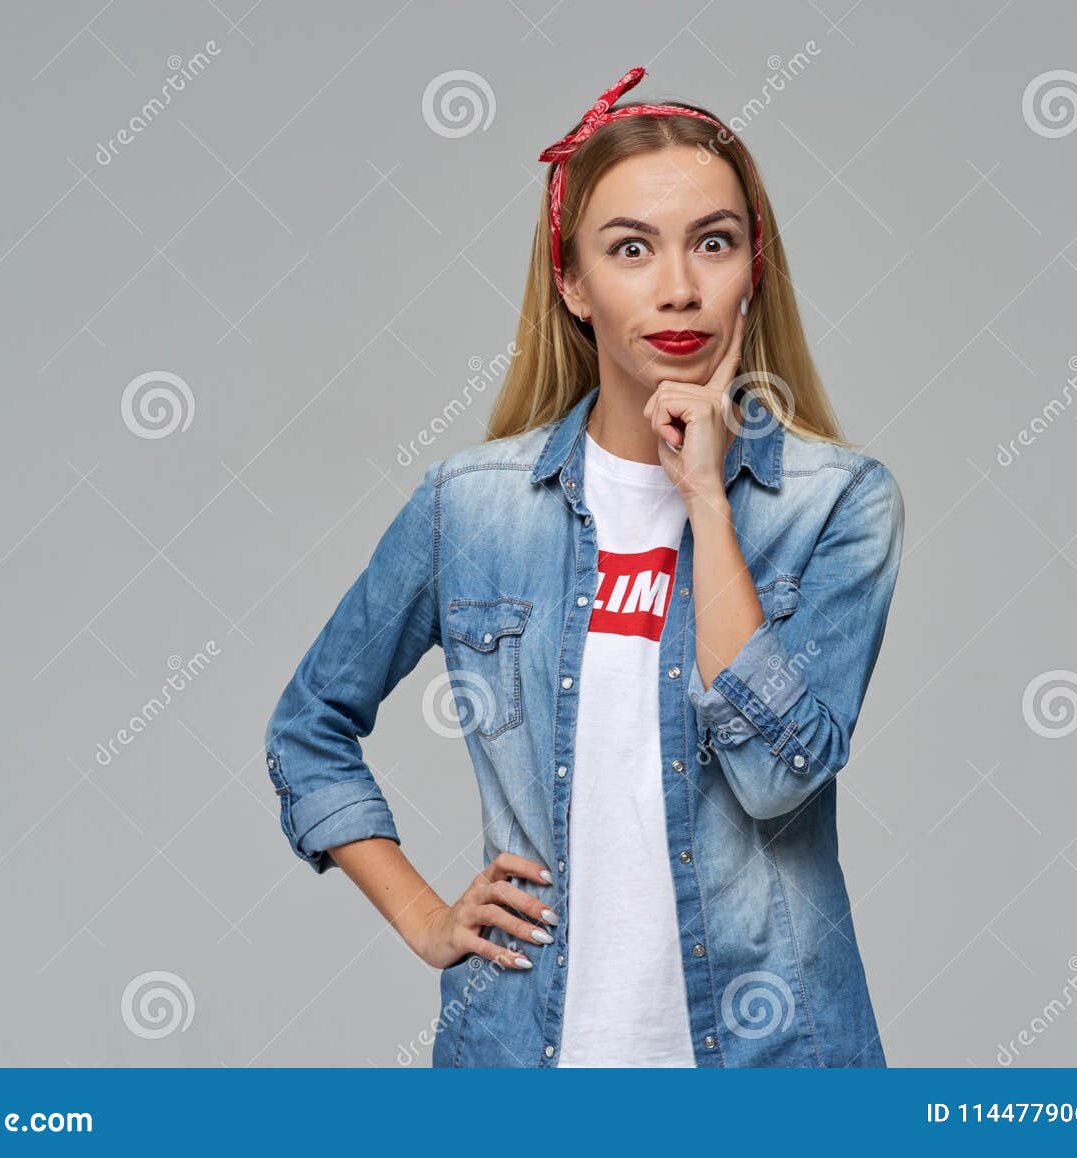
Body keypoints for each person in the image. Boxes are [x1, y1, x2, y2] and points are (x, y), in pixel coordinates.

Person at [263, 65, 905, 1068]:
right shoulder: (470, 507)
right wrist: (427, 918)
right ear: (572, 282)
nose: (679, 286)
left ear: (754, 268)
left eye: (713, 242)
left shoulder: (836, 504)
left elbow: (777, 779)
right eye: (631, 249)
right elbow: (309, 729)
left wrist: (704, 498)